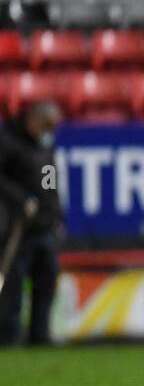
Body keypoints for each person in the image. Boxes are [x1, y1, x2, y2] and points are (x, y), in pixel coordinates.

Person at [0, 101, 62, 346]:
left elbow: (50, 183)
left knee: (46, 282)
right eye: (46, 126)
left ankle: (40, 335)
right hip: (18, 228)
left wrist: (56, 215)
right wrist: (21, 199)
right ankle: (9, 335)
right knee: (13, 285)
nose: (49, 133)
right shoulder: (9, 143)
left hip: (45, 227)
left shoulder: (45, 148)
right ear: (32, 121)